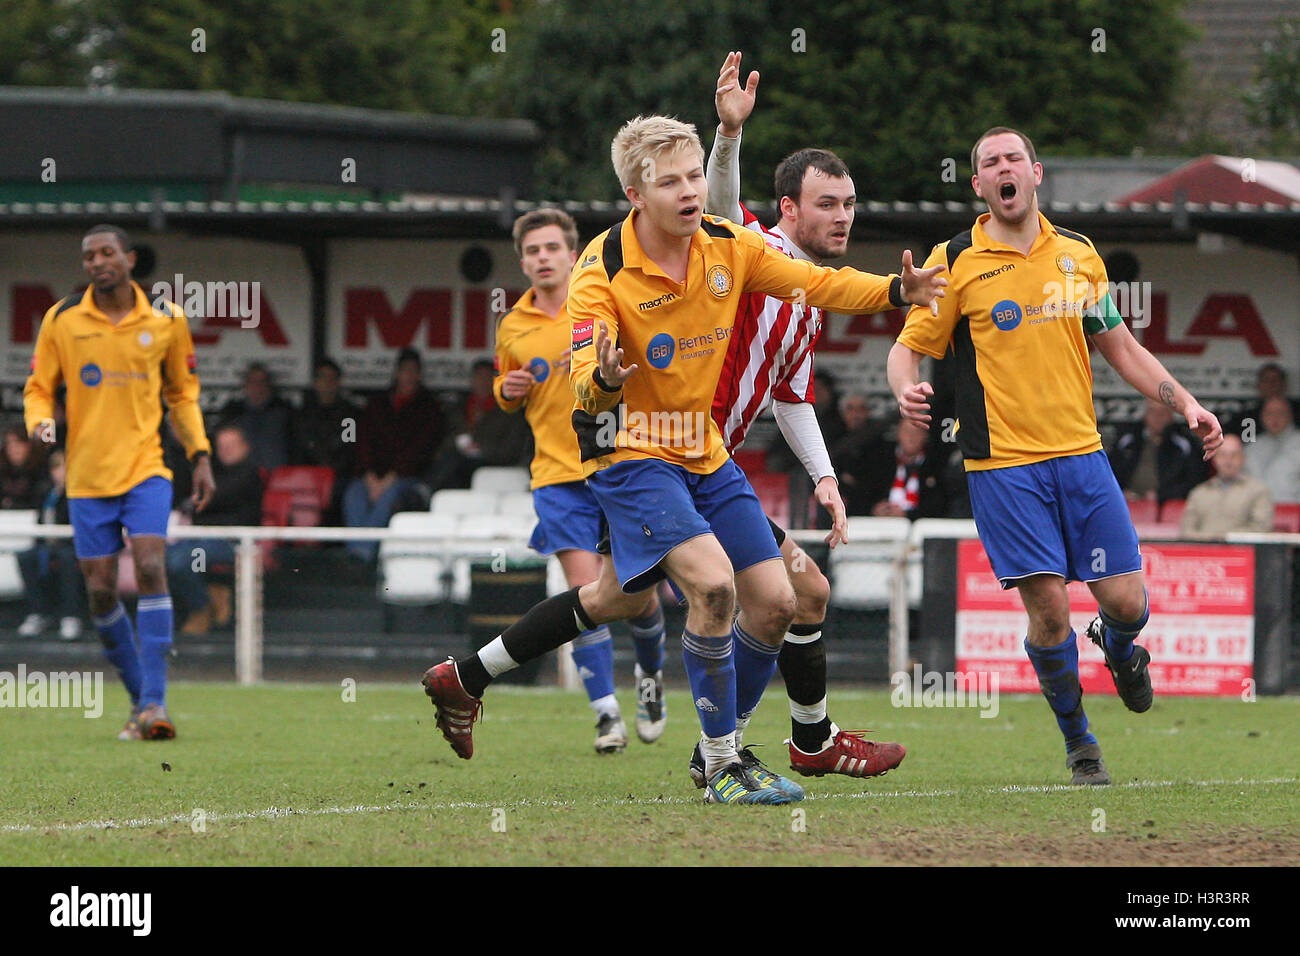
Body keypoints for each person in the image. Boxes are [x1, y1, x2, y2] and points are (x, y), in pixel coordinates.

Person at [423, 113, 944, 806]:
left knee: (767, 600)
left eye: (695, 174)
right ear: (637, 193)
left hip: (702, 450)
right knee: (715, 587)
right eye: (671, 181)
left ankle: (465, 677)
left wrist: (893, 292)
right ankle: (722, 763)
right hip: (628, 451)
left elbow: (814, 284)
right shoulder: (600, 269)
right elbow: (587, 372)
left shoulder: (729, 245)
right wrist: (604, 377)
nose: (690, 190)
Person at [889, 128, 1223, 785]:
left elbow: (1121, 347)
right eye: (990, 163)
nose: (1004, 169)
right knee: (1049, 612)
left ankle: (1121, 649)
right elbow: (908, 347)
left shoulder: (1078, 253)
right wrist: (907, 391)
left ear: (1036, 173)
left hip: (1081, 458)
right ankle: (1080, 744)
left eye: (1014, 158)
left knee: (1126, 603)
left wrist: (1187, 403)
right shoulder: (954, 259)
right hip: (1003, 468)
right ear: (979, 185)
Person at [701, 51, 904, 783]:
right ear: (788, 209)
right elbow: (721, 204)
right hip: (674, 463)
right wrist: (728, 134)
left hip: (706, 471)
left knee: (804, 593)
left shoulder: (806, 295)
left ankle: (808, 743)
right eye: (827, 204)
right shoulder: (751, 251)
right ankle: (723, 751)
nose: (843, 216)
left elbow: (789, 395)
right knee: (614, 603)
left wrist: (824, 478)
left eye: (849, 205)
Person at [24, 223, 214, 740]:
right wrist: (38, 421)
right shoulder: (62, 319)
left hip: (146, 469)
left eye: (108, 253)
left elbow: (182, 394)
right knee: (101, 591)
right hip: (86, 477)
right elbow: (39, 388)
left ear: (130, 260)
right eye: (89, 256)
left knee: (152, 565)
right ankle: (141, 703)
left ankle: (156, 702)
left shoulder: (167, 318)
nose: (97, 262)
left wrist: (199, 453)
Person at [493, 208, 668, 753]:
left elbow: (647, 365)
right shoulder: (513, 325)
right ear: (522, 262)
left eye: (552, 248)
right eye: (532, 251)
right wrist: (509, 389)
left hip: (618, 466)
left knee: (638, 598)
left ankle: (649, 680)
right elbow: (504, 386)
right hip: (557, 477)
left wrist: (605, 369)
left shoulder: (602, 302)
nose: (542, 258)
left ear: (573, 255)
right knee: (585, 593)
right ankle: (605, 714)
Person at [343, 347, 444, 560]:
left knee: (388, 497)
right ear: (396, 373)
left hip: (407, 478)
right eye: (404, 370)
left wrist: (391, 477)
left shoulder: (429, 408)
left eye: (413, 371)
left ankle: (361, 555)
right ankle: (355, 552)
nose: (408, 376)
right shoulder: (378, 403)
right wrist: (370, 475)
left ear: (420, 375)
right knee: (354, 493)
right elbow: (363, 441)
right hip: (372, 476)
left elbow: (420, 449)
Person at [168, 424, 264, 634]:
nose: (226, 451)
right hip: (203, 540)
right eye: (222, 446)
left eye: (232, 446)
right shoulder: (214, 472)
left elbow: (210, 498)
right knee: (162, 558)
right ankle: (211, 596)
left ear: (245, 447)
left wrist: (195, 503)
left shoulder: (249, 473)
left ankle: (201, 607)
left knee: (180, 562)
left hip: (234, 544)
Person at [16, 448, 85, 641]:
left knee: (65, 558)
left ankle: (70, 615)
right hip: (47, 545)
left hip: (71, 547)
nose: (60, 472)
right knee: (26, 556)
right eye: (56, 468)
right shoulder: (45, 492)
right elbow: (40, 522)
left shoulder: (79, 495)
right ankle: (38, 613)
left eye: (64, 467)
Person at [291, 357, 360, 521]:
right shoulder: (302, 414)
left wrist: (329, 471)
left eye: (332, 378)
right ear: (315, 382)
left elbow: (349, 448)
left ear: (338, 383)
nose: (327, 383)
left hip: (339, 476)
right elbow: (298, 450)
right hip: (308, 476)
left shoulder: (348, 415)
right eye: (322, 377)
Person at [1107, 399, 1207, 504]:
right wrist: (1120, 492)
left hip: (1170, 504)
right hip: (1127, 501)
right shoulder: (1128, 439)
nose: (1157, 417)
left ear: (1171, 416)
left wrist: (1162, 495)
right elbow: (1109, 471)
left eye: (1162, 412)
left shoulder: (1184, 443)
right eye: (1152, 411)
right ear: (1145, 415)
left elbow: (1196, 480)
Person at [1180, 435, 1272, 537]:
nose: (1228, 461)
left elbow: (1261, 529)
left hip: (1243, 551)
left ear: (1243, 458)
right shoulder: (1198, 493)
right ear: (1214, 459)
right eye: (1222, 455)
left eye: (1234, 455)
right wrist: (1211, 540)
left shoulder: (1258, 491)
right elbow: (1186, 532)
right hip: (1204, 551)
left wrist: (1226, 538)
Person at [861, 418, 949, 520]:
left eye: (916, 432)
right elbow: (862, 496)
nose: (911, 437)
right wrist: (874, 509)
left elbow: (939, 506)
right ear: (897, 433)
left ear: (925, 436)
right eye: (906, 431)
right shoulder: (880, 462)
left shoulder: (935, 466)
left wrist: (907, 514)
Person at [217, 362, 294, 471]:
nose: (257, 387)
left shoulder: (284, 411)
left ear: (269, 385)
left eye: (262, 382)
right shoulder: (233, 412)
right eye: (252, 382)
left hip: (279, 478)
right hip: (239, 478)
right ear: (245, 385)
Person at [1244, 396, 1300, 504]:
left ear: (1290, 416)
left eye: (1280, 413)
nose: (1275, 417)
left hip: (1294, 513)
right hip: (1258, 513)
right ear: (1262, 417)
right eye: (1269, 413)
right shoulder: (1251, 448)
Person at [0, 424, 49, 511]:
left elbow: (40, 499)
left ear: (28, 445)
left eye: (18, 443)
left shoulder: (41, 470)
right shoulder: (3, 471)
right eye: (9, 444)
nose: (14, 448)